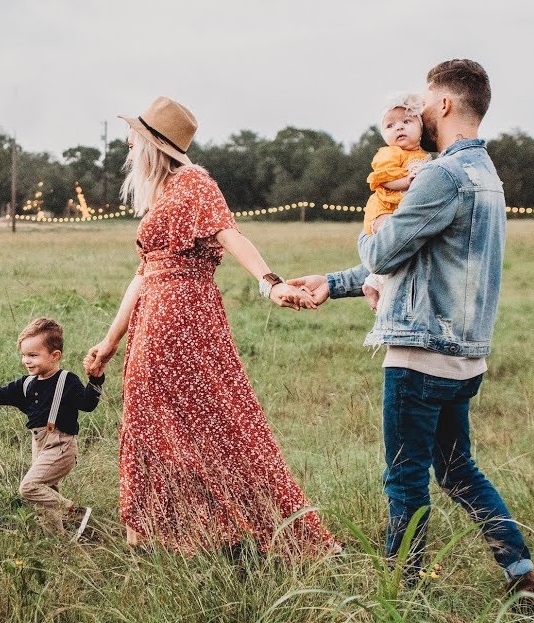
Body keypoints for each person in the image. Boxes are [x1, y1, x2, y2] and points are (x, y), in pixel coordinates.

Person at [287, 59, 534, 606]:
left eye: (424, 104)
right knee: (458, 471)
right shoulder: (486, 175)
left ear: (445, 106)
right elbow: (417, 261)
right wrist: (334, 283)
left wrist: (373, 225)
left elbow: (386, 250)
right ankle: (522, 575)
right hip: (464, 358)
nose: (417, 114)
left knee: (404, 478)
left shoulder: (440, 174)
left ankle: (399, 593)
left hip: (420, 354)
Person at [83, 95, 342, 557]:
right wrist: (109, 341)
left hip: (183, 317)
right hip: (154, 317)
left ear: (152, 144)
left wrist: (269, 283)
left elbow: (230, 233)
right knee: (151, 421)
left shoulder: (194, 182)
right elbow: (143, 274)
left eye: (133, 139)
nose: (127, 146)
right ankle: (162, 531)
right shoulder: (163, 192)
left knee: (216, 422)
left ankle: (234, 526)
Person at [0, 317, 103, 541]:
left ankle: (76, 513)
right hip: (39, 445)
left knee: (30, 487)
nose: (27, 361)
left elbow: (88, 404)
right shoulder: (26, 384)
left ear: (55, 356)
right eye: (24, 355)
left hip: (61, 446)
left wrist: (95, 379)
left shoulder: (66, 381)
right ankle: (58, 543)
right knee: (45, 498)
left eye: (33, 355)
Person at [361, 94, 431, 311]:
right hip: (383, 208)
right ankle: (376, 286)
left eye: (407, 122)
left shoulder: (424, 156)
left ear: (421, 128)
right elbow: (383, 178)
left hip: (400, 209)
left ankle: (374, 283)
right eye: (390, 125)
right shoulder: (389, 153)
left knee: (402, 247)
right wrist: (406, 181)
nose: (399, 128)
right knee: (393, 239)